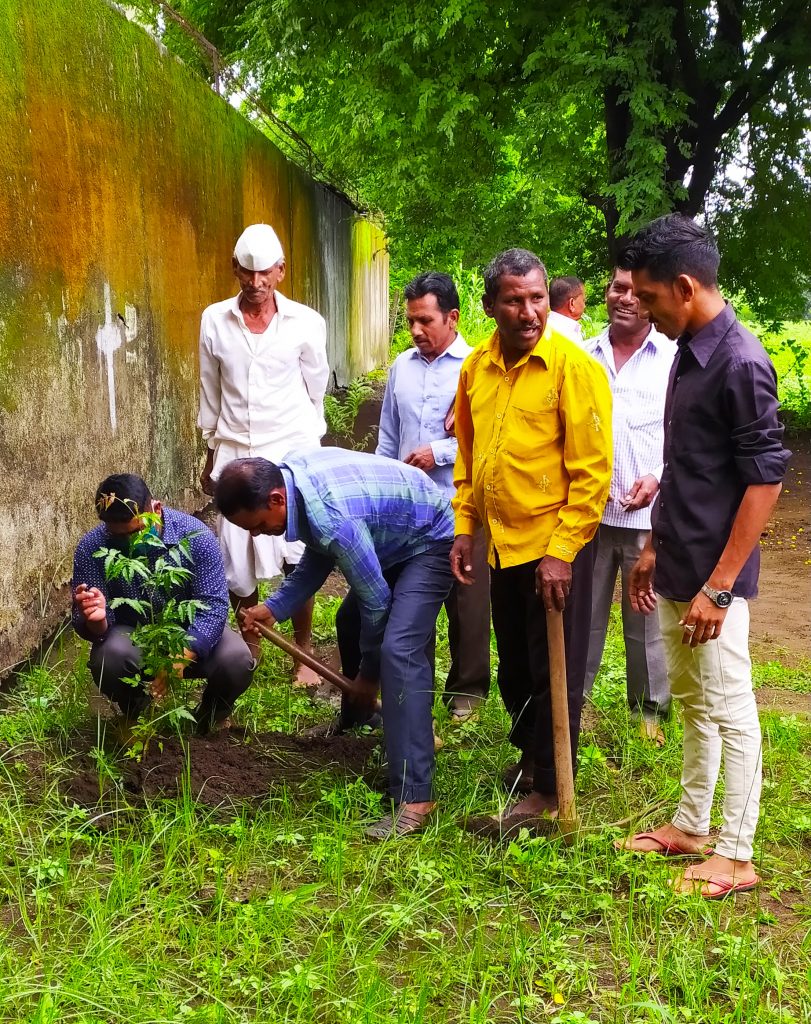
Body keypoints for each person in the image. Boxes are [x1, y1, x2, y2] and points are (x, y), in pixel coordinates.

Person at [616, 214, 791, 900]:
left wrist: (719, 588)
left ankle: (737, 853)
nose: (644, 310)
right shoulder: (687, 348)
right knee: (689, 700)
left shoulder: (740, 361)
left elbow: (764, 478)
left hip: (713, 578)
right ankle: (690, 827)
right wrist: (654, 547)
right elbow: (683, 463)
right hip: (676, 560)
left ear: (684, 287)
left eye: (652, 297)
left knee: (728, 706)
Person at [213, 448, 455, 839]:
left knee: (399, 649)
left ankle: (415, 797)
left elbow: (377, 602)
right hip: (392, 534)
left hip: (431, 539)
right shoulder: (293, 483)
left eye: (258, 525)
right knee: (347, 619)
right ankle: (360, 717)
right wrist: (274, 608)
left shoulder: (330, 516)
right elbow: (319, 557)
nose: (258, 534)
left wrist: (369, 678)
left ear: (276, 499)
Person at [451, 248, 612, 824]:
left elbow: (592, 472)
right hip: (502, 544)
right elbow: (469, 458)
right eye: (514, 300)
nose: (529, 311)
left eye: (537, 298)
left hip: (554, 548)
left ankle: (549, 787)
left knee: (555, 669)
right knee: (515, 665)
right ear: (490, 304)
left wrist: (563, 553)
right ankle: (529, 758)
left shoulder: (573, 368)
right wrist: (465, 528)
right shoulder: (475, 367)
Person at [198, 222, 330, 685]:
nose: (256, 285)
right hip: (234, 447)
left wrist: (310, 450)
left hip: (290, 447)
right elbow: (209, 391)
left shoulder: (307, 323)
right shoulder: (214, 320)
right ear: (235, 269)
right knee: (236, 555)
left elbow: (317, 388)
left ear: (281, 271)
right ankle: (249, 646)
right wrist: (209, 452)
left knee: (299, 549)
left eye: (265, 274)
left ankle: (303, 655)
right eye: (247, 274)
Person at [377, 271, 491, 721]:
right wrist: (383, 484)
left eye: (425, 320)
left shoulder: (477, 366)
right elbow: (388, 434)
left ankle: (467, 691)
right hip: (408, 513)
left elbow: (488, 438)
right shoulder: (400, 367)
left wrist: (439, 451)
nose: (416, 331)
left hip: (459, 505)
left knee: (467, 604)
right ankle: (416, 685)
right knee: (411, 600)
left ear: (453, 317)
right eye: (410, 322)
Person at [72, 473, 254, 734]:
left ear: (156, 509)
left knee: (236, 659)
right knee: (108, 658)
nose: (130, 544)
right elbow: (87, 625)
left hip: (187, 632)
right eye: (118, 537)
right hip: (134, 638)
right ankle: (135, 711)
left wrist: (182, 656)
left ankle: (213, 716)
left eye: (136, 532)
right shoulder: (93, 546)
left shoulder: (195, 536)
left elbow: (213, 607)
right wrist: (97, 620)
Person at [582, 267, 674, 743]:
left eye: (639, 293)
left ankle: (651, 714)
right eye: (619, 288)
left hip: (647, 521)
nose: (626, 299)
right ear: (606, 291)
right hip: (588, 518)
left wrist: (658, 479)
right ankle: (573, 704)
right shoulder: (582, 356)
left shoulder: (672, 358)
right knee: (585, 617)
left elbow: (681, 437)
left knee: (647, 623)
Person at [547, 276, 586, 346]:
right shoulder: (568, 335)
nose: (584, 306)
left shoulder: (543, 329)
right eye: (583, 300)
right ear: (572, 304)